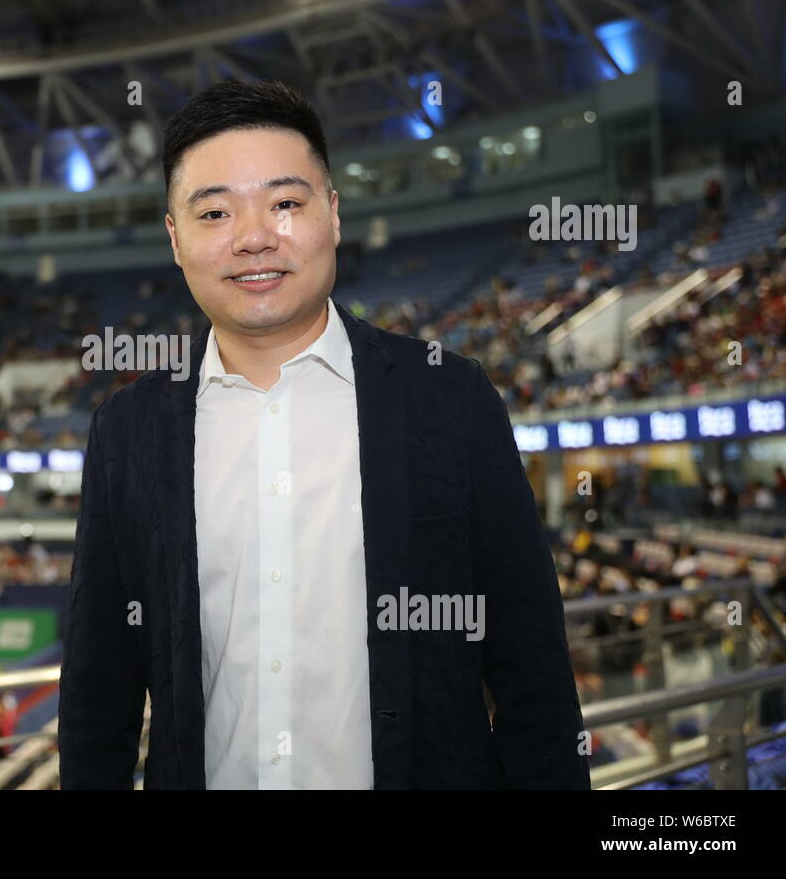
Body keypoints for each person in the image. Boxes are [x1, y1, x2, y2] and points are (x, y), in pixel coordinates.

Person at [59, 79, 590, 790]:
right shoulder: (128, 432)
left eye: (285, 203)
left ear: (333, 215)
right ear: (175, 237)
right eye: (215, 212)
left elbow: (532, 670)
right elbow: (100, 690)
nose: (254, 238)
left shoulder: (450, 398)